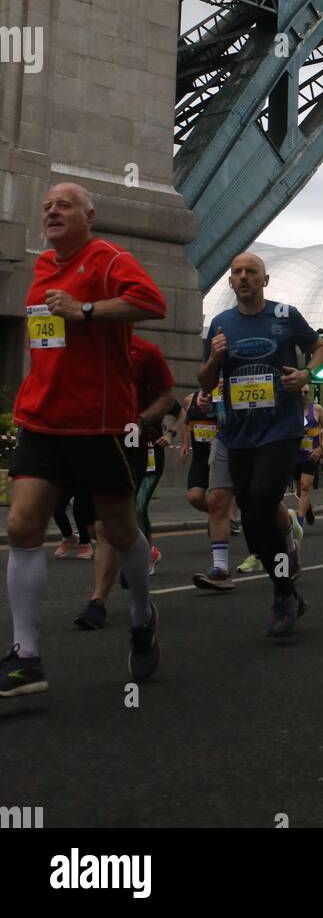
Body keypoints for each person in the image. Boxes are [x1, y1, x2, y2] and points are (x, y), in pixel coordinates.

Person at [1, 183, 166, 696]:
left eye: (64, 205)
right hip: (42, 420)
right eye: (46, 204)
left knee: (118, 532)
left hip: (100, 426)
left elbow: (151, 302)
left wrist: (87, 310)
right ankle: (27, 655)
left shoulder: (108, 258)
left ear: (89, 216)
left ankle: (141, 613)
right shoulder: (41, 268)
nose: (51, 210)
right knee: (22, 524)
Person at [197, 252, 323, 637]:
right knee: (255, 528)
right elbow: (206, 382)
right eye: (237, 272)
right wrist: (215, 357)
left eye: (251, 272)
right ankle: (286, 588)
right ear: (230, 282)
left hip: (281, 431)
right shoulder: (221, 324)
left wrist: (306, 372)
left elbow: (320, 348)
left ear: (265, 280)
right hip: (239, 435)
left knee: (259, 503)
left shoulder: (284, 316)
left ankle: (283, 595)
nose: (243, 278)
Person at [74, 332, 178, 630]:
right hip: (84, 442)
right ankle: (138, 550)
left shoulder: (144, 352)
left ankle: (98, 602)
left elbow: (167, 399)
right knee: (95, 525)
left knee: (111, 524)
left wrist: (144, 422)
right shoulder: (80, 347)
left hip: (128, 444)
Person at [181, 390, 236, 593]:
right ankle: (221, 568)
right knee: (194, 497)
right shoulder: (190, 399)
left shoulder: (225, 396)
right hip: (200, 459)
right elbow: (187, 423)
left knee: (258, 505)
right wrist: (185, 445)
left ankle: (288, 536)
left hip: (224, 448)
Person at [297, 385, 323, 526]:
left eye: (306, 392)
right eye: (300, 392)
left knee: (305, 486)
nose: (303, 395)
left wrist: (320, 448)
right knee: (299, 490)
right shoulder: (289, 411)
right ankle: (308, 509)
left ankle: (299, 521)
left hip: (311, 455)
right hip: (294, 455)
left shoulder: (316, 409)